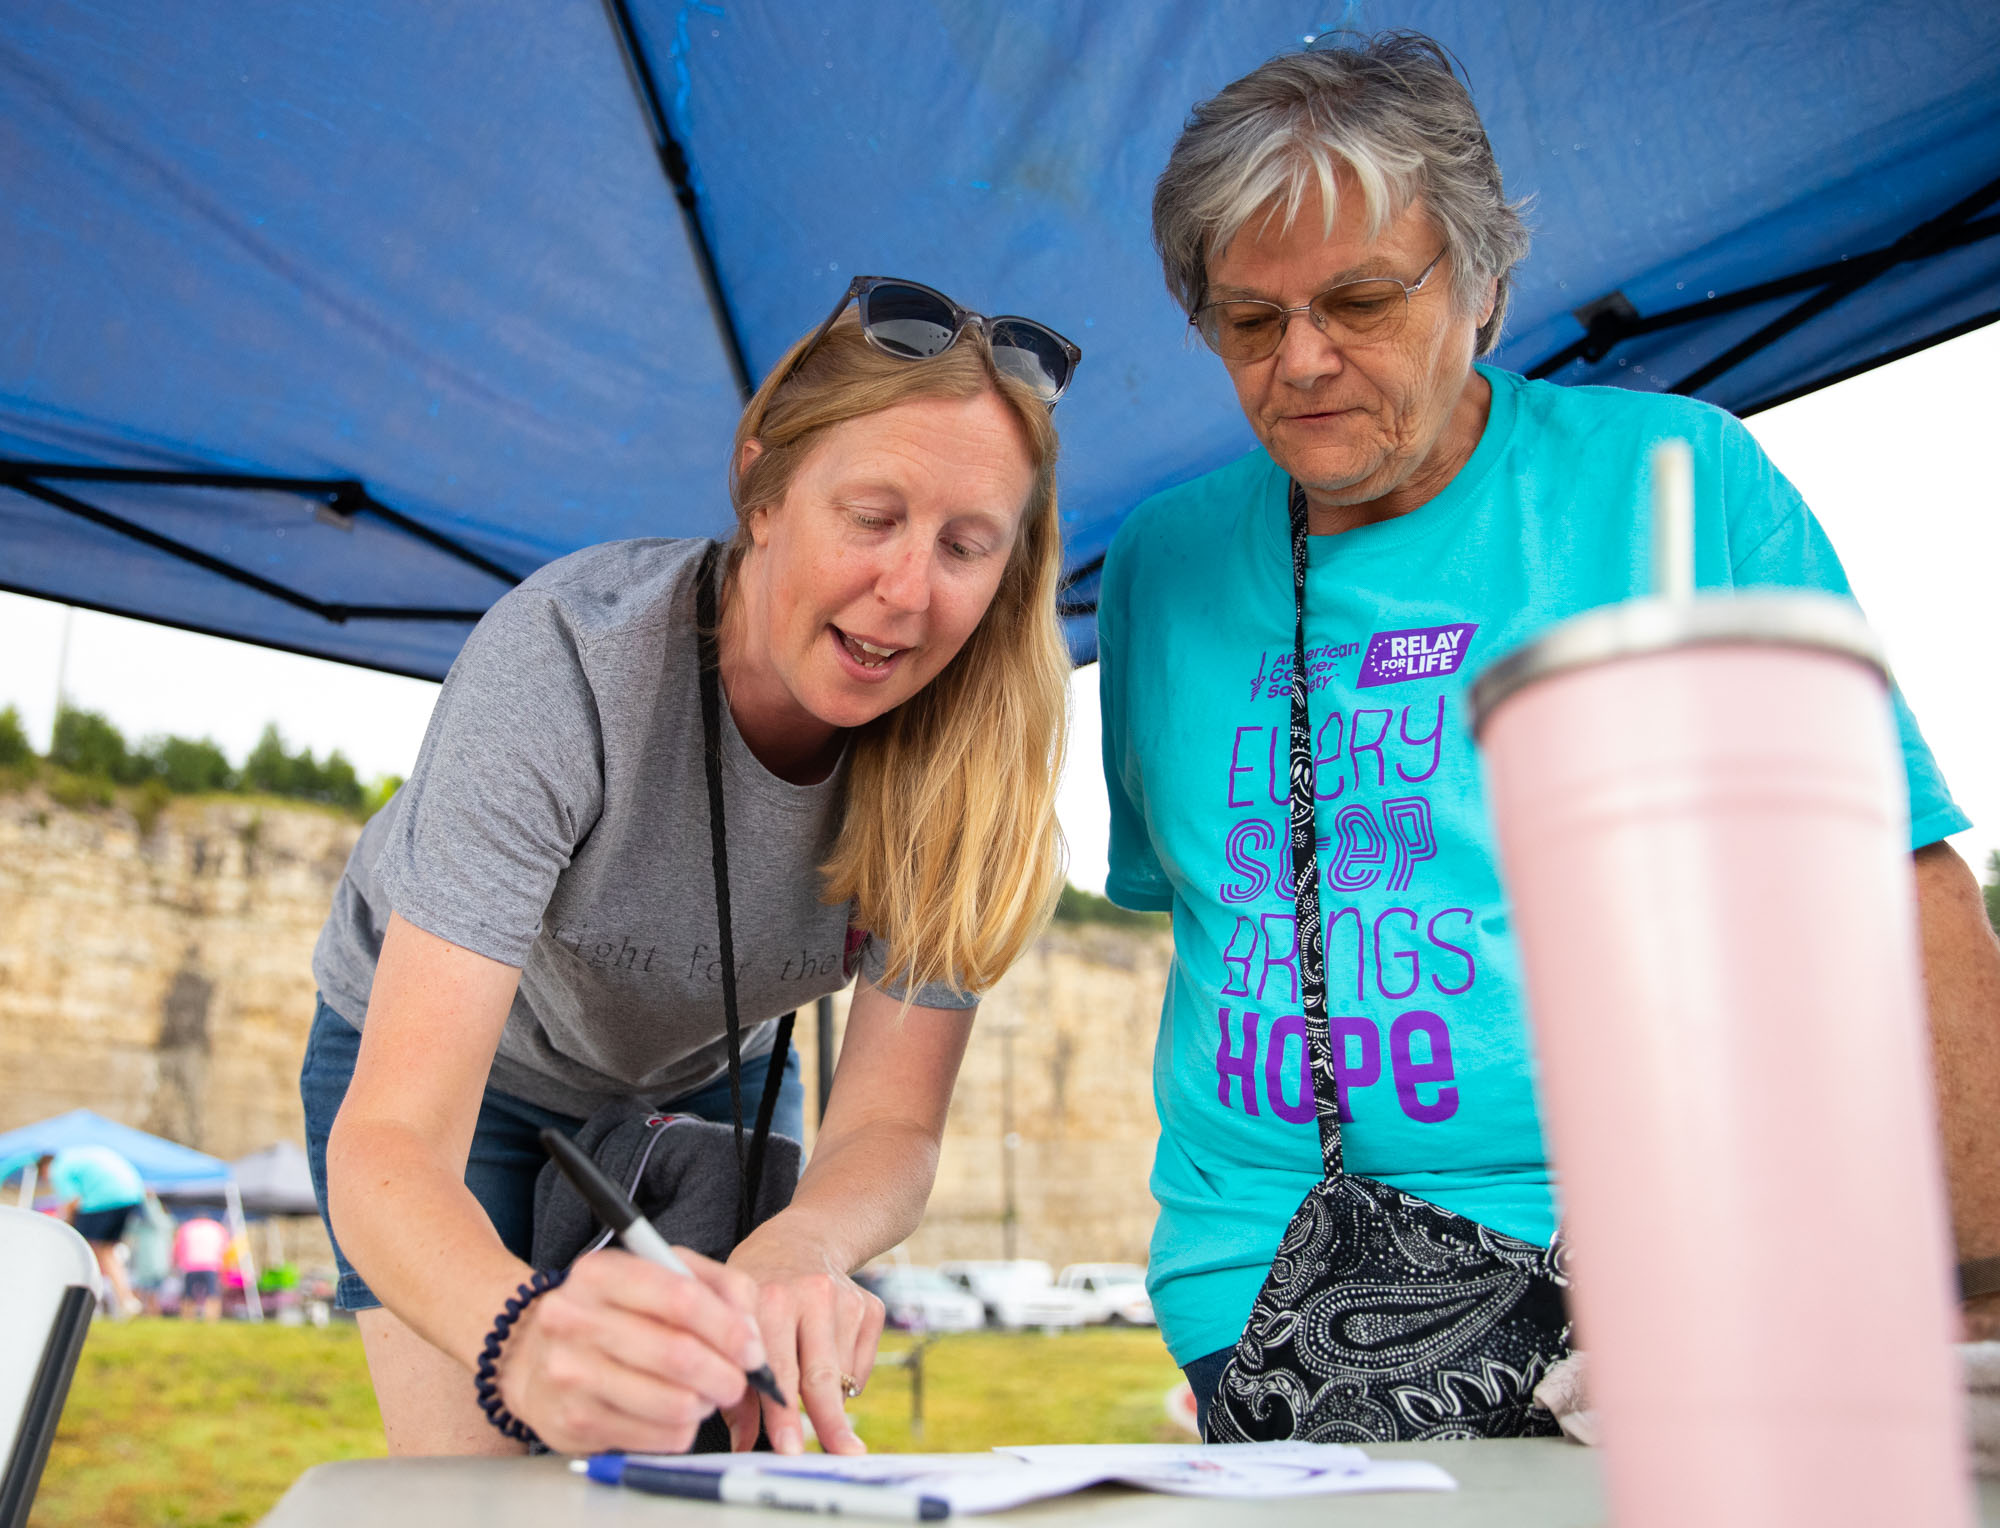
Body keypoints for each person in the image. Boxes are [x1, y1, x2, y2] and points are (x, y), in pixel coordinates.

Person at [1099, 33, 2000, 1437]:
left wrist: (1982, 1295)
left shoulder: (1676, 480)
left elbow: (1893, 880)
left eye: (1360, 299)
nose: (1306, 360)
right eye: (1249, 320)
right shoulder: (1162, 564)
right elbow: (1202, 914)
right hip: (1271, 1302)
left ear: (1485, 288)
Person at [304, 279, 1078, 1458]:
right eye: (870, 516)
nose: (908, 592)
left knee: (701, 1471)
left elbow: (887, 1129)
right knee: (494, 1481)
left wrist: (798, 1247)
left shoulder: (971, 765)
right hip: (462, 1074)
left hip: (699, 1075)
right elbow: (391, 1141)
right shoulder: (566, 659)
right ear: (762, 491)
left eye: (966, 545)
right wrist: (518, 1338)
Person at [45, 1146, 145, 1317]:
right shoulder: (77, 1156)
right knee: (107, 1251)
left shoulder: (58, 1168)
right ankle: (126, 1301)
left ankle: (82, 1303)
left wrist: (64, 1225)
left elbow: (72, 1201)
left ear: (44, 1167)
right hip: (132, 1194)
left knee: (81, 1250)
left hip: (103, 1200)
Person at [173, 1213, 228, 1321]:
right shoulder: (216, 1227)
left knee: (188, 1294)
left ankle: (187, 1318)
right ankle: (212, 1318)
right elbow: (224, 1247)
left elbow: (178, 1246)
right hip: (211, 1264)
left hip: (190, 1264)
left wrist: (177, 1262)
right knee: (212, 1293)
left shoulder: (187, 1227)